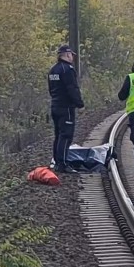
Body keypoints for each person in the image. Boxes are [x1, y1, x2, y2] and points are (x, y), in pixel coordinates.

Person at [48, 44, 84, 174]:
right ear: (67, 55)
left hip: (55, 106)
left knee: (58, 135)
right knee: (66, 135)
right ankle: (62, 164)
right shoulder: (67, 70)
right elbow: (72, 88)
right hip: (66, 107)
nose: (72, 58)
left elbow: (51, 89)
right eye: (71, 55)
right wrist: (79, 103)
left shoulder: (53, 70)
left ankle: (57, 161)